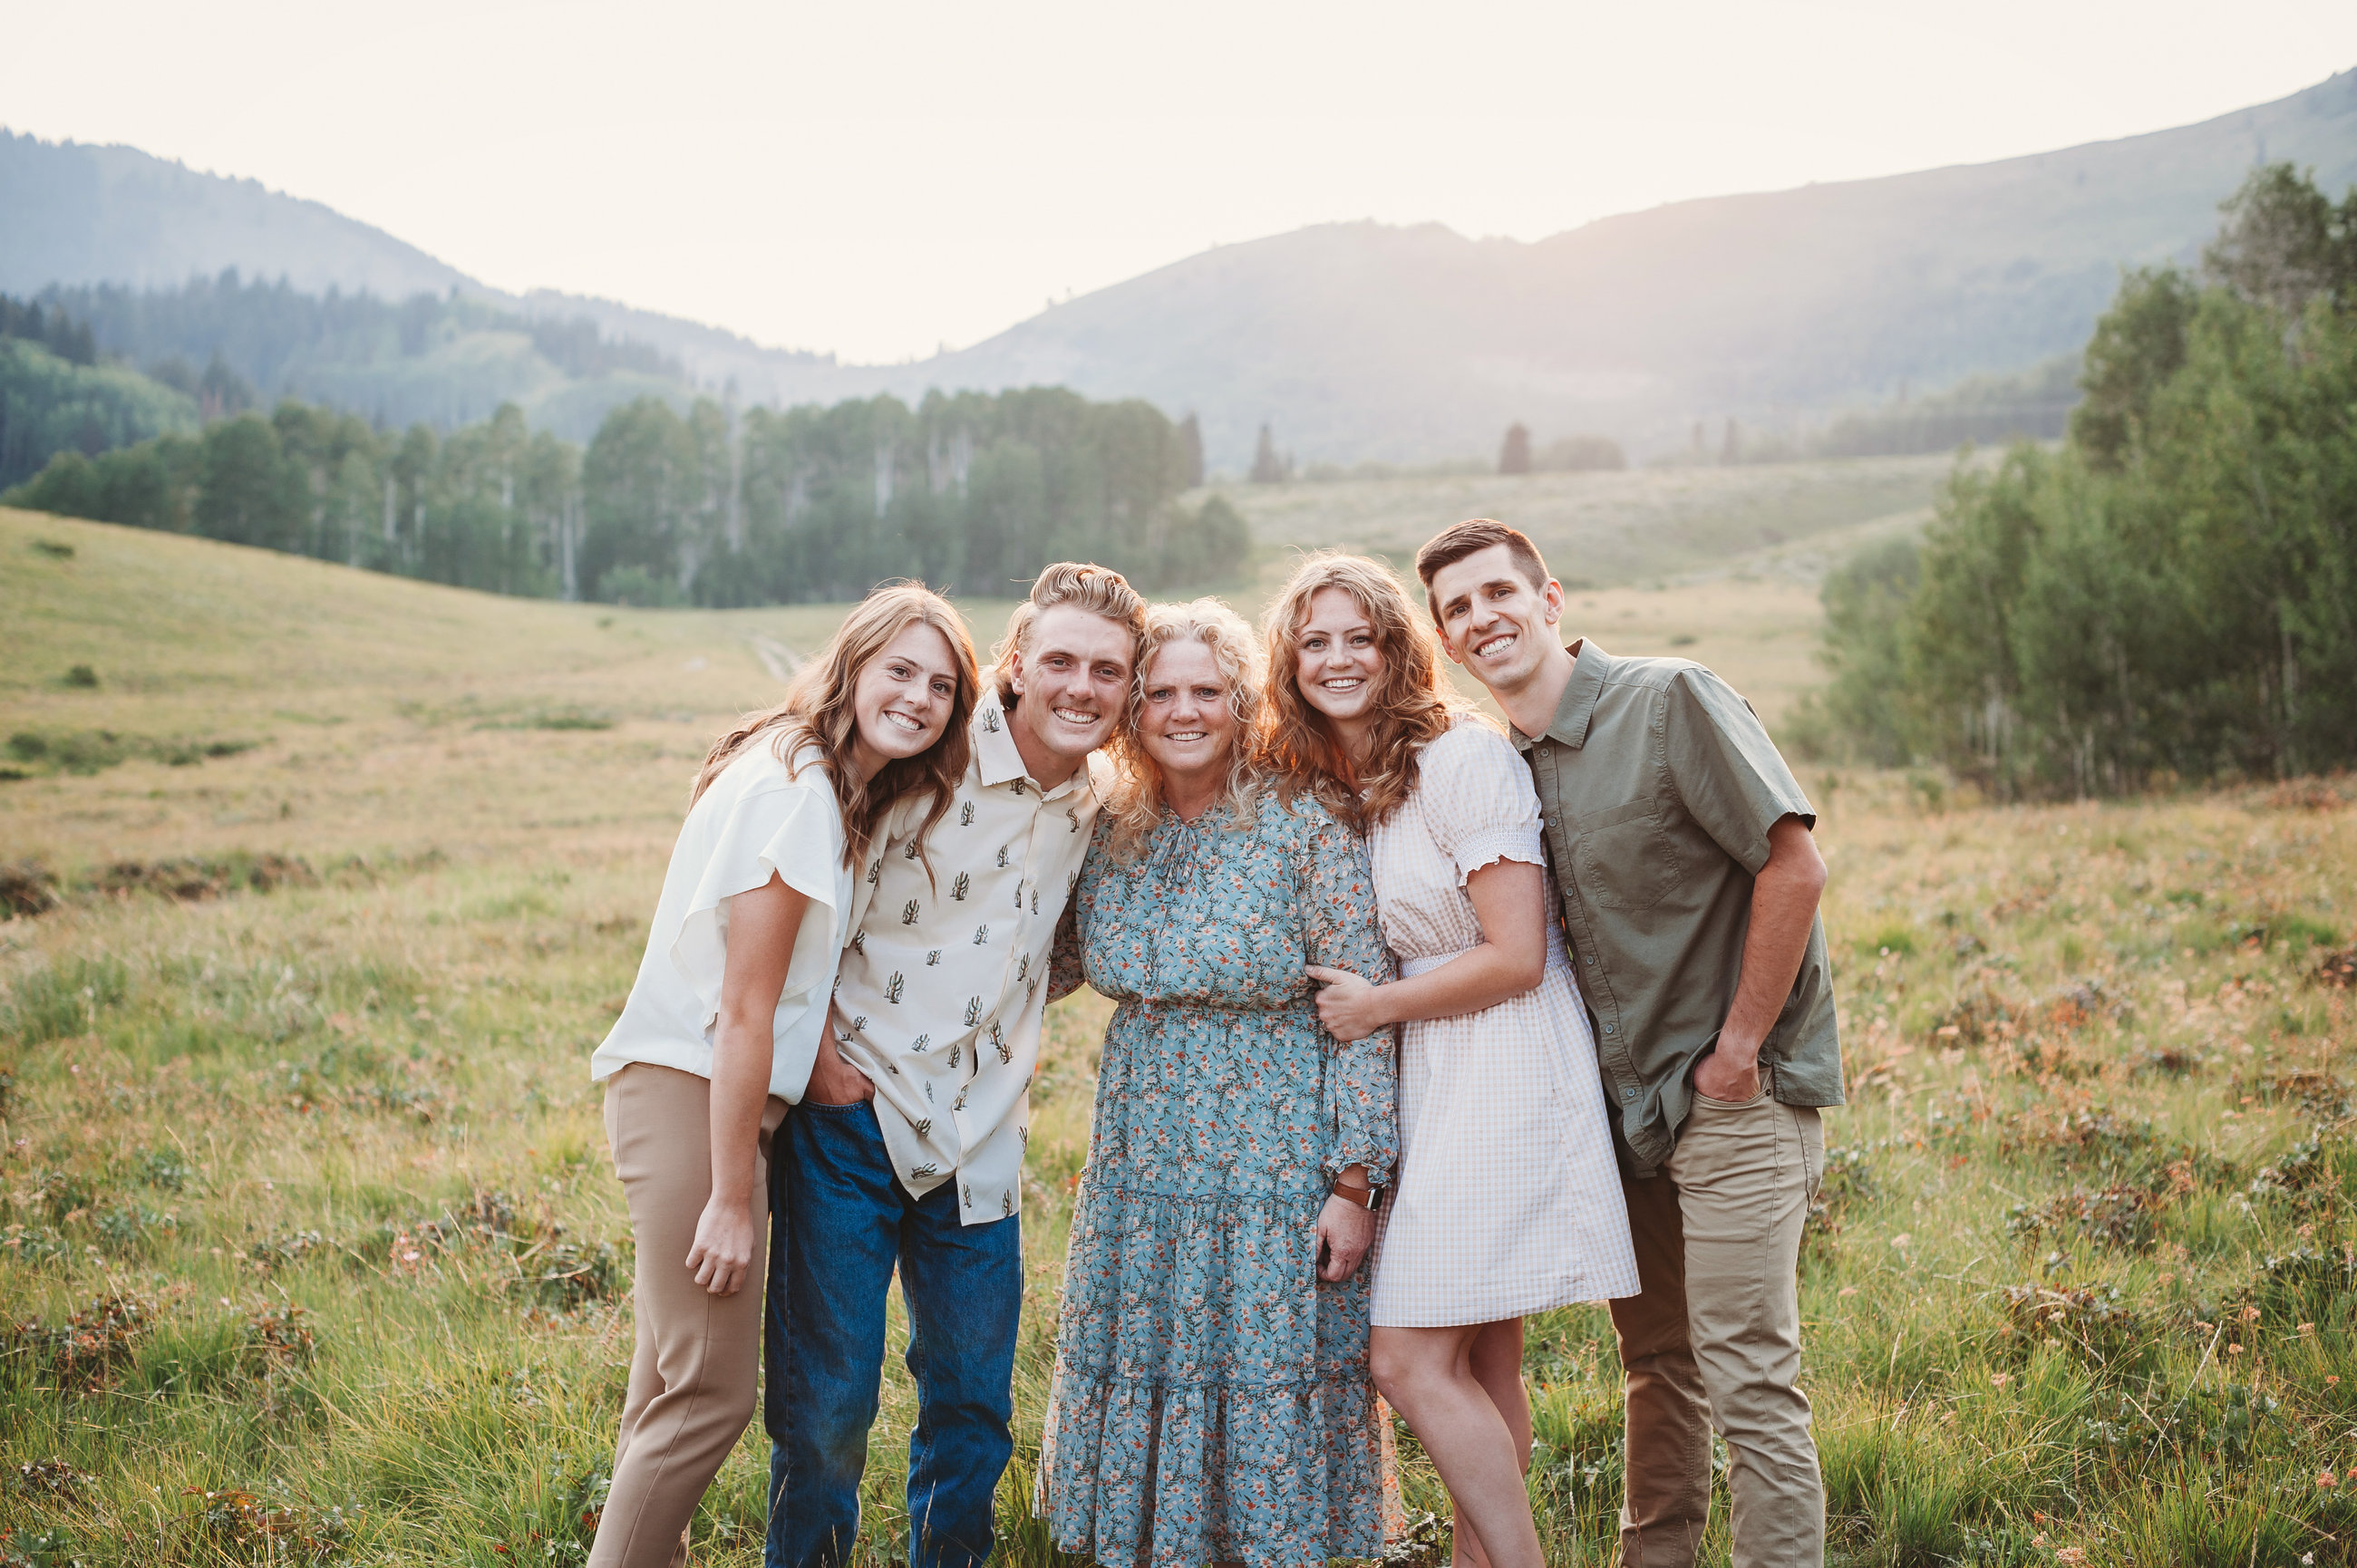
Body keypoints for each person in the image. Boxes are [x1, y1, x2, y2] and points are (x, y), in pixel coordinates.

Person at [1414, 518, 1840, 1568]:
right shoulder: (1500, 766)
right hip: (1623, 1116)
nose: (1482, 617)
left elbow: (1792, 866)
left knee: (1745, 1371)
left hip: (1734, 1095)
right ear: (1446, 641)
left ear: (1548, 598)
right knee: (1656, 1362)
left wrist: (1737, 1049)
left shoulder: (1667, 699)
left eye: (1497, 591)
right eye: (1458, 608)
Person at [586, 584, 979, 1568]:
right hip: (693, 1101)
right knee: (707, 1398)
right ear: (851, 666)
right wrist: (730, 1197)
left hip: (688, 1094)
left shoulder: (806, 773)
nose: (919, 697)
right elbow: (746, 1009)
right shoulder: (797, 794)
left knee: (664, 1389)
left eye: (941, 686)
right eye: (900, 670)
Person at [764, 562, 1148, 1568]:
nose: (1080, 687)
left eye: (1107, 670)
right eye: (1059, 660)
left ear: (1128, 689)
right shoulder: (928, 751)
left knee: (973, 1404)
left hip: (982, 1134)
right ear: (1015, 663)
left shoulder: (1102, 796)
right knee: (827, 1406)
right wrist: (816, 1060)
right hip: (851, 1119)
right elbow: (808, 905)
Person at [1263, 552, 1639, 1568]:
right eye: (1314, 642)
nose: (1338, 659)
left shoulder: (1460, 759)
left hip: (1504, 1061)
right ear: (1289, 663)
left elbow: (1518, 954)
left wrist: (1375, 1006)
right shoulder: (1359, 780)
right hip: (1437, 1067)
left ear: (1399, 650)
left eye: (1361, 637)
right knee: (1482, 1356)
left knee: (1406, 1358)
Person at [1036, 598, 1402, 1568]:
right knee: (1150, 1352)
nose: (1183, 711)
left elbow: (1365, 1011)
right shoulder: (1107, 828)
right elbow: (1036, 963)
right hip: (1140, 1162)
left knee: (1262, 1363)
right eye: (1160, 693)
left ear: (1243, 703)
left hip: (1273, 1163)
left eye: (1207, 691)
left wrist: (1354, 1183)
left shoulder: (1304, 821)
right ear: (1133, 710)